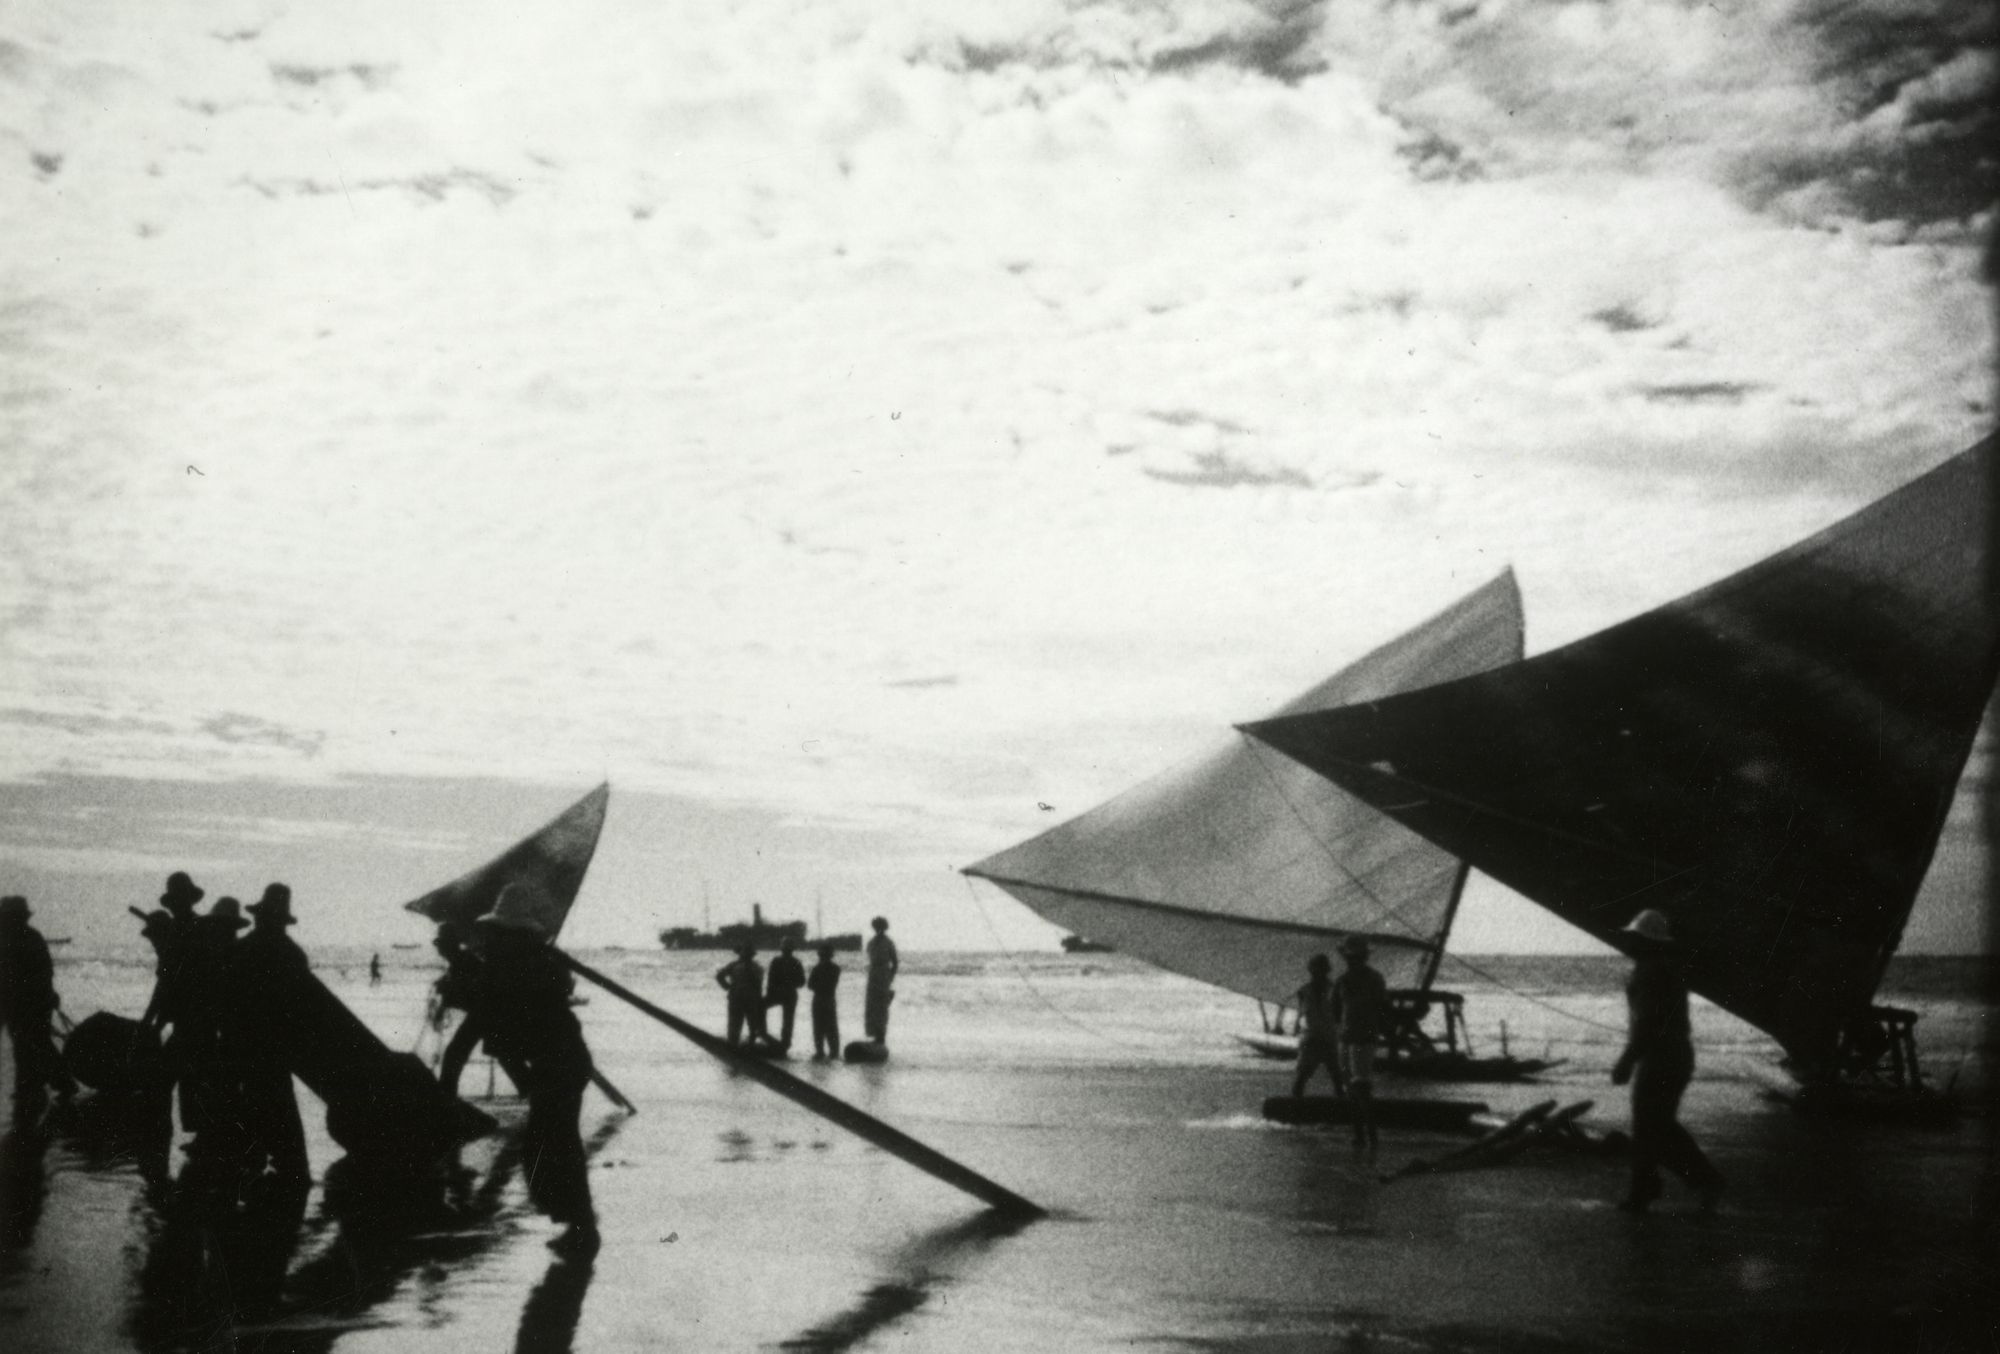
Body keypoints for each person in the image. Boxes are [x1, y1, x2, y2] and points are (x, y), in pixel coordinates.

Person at [472, 882, 599, 1255]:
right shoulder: (537, 963)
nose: (491, 938)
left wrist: (526, 1079)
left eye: (496, 932)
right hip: (565, 1062)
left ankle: (580, 1228)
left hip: (559, 1064)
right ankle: (578, 1225)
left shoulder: (519, 968)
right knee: (556, 1146)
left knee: (550, 1148)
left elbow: (503, 1032)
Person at [1610, 909, 1724, 1213]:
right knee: (1656, 1125)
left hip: (1660, 1058)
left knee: (1651, 1126)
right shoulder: (1666, 969)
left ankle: (1697, 1180)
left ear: (1646, 941)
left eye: (1633, 937)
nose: (1628, 943)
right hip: (1675, 1055)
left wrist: (1626, 1060)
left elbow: (1648, 1023)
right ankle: (1648, 1188)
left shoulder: (1649, 972)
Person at [223, 884, 312, 1185]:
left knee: (250, 1110)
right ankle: (288, 1172)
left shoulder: (243, 949)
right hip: (275, 1048)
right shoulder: (294, 955)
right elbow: (300, 1010)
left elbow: (227, 1001)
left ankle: (256, 1169)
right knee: (282, 1113)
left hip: (244, 1045)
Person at [139, 871, 206, 1133]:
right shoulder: (193, 928)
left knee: (165, 1080)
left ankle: (162, 1137)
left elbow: (169, 986)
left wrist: (152, 1023)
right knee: (191, 1080)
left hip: (191, 1020)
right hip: (196, 1019)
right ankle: (198, 1138)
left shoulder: (179, 933)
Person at [0, 895, 77, 1115]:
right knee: (31, 1042)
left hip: (27, 1002)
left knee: (32, 1043)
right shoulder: (28, 937)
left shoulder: (17, 939)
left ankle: (55, 1083)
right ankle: (32, 1085)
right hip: (32, 1000)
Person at [1331, 936, 1387, 1150]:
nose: (1352, 960)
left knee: (1361, 1088)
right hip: (1346, 1039)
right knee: (1350, 1089)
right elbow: (1335, 1009)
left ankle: (1371, 1137)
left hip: (1364, 1039)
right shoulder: (1342, 981)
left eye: (1356, 957)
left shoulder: (1375, 979)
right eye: (1350, 957)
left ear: (1363, 957)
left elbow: (1382, 1007)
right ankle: (1359, 1136)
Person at [1289, 954, 1340, 1099]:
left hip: (1329, 1037)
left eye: (1321, 970)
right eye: (1316, 970)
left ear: (1326, 971)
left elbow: (1340, 1014)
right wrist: (1296, 1030)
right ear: (1311, 971)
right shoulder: (1303, 991)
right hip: (1311, 1037)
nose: (1318, 973)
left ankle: (1343, 1107)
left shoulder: (1335, 990)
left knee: (1337, 1076)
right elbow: (1301, 1013)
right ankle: (1295, 1105)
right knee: (1301, 1076)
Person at [716, 945, 769, 1048]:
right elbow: (759, 985)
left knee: (739, 1024)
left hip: (741, 998)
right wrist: (727, 987)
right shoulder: (756, 967)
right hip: (744, 998)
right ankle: (746, 1044)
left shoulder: (744, 966)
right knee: (748, 1024)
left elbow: (719, 976)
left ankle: (737, 1044)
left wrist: (727, 987)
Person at [765, 937, 806, 1050]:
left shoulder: (778, 961)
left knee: (787, 1019)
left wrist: (771, 991)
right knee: (788, 1019)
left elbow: (771, 980)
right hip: (788, 993)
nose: (786, 950)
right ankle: (783, 1042)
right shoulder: (794, 962)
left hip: (783, 993)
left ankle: (764, 1034)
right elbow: (801, 982)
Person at [863, 916, 898, 1046]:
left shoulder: (888, 942)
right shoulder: (871, 942)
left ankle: (881, 1036)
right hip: (873, 974)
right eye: (876, 927)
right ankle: (874, 1034)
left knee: (882, 1006)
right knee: (872, 1006)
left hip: (884, 974)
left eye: (880, 927)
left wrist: (890, 978)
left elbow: (894, 962)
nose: (878, 929)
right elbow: (870, 958)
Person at [807, 944, 842, 1059]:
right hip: (830, 999)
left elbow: (810, 985)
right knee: (832, 1026)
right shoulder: (836, 969)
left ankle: (820, 1051)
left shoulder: (817, 968)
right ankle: (834, 1051)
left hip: (819, 999)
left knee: (818, 1026)